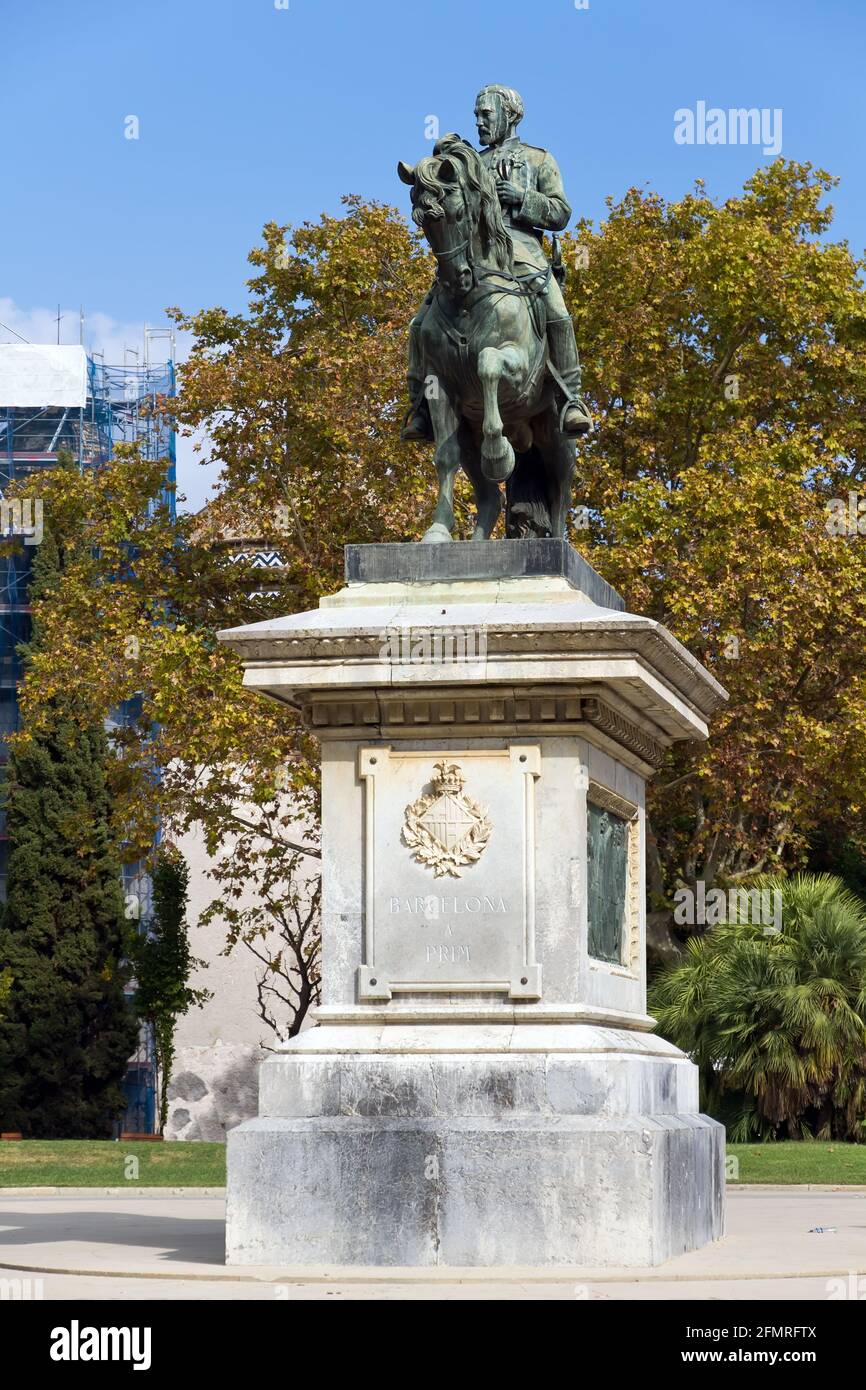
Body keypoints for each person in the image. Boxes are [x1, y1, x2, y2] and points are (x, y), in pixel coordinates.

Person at [402, 83, 591, 443]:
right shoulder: (472, 163)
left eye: (486, 114)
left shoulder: (539, 159)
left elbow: (561, 212)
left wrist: (523, 198)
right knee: (421, 322)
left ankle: (571, 400)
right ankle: (422, 406)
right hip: (474, 253)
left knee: (558, 311)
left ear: (510, 115)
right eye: (476, 115)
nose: (479, 121)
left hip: (523, 251)